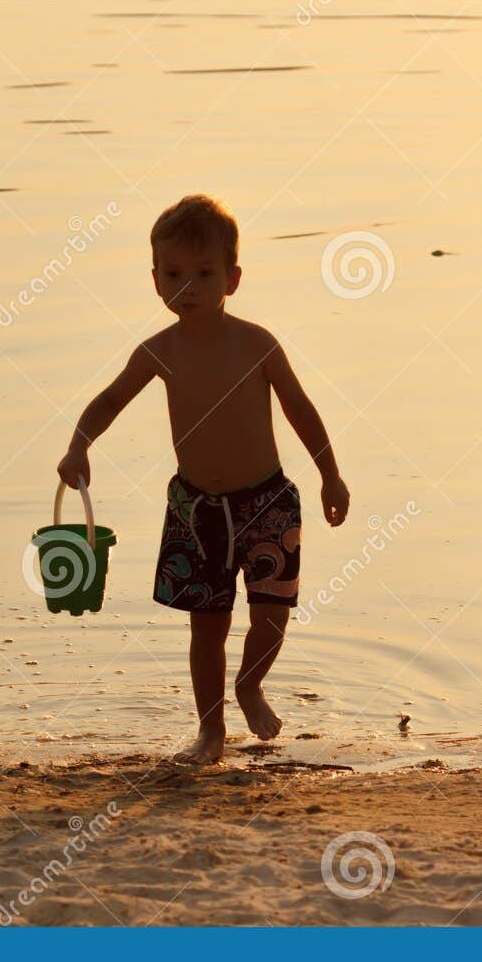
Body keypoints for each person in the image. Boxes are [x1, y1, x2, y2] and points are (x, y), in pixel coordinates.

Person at [57, 194, 350, 764]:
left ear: (232, 279)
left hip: (267, 503)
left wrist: (330, 477)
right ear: (154, 279)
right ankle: (210, 732)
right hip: (197, 510)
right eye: (173, 274)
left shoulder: (256, 344)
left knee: (271, 617)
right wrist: (78, 445)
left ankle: (250, 685)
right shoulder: (157, 352)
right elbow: (109, 400)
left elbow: (301, 409)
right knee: (207, 629)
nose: (186, 286)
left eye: (203, 274)